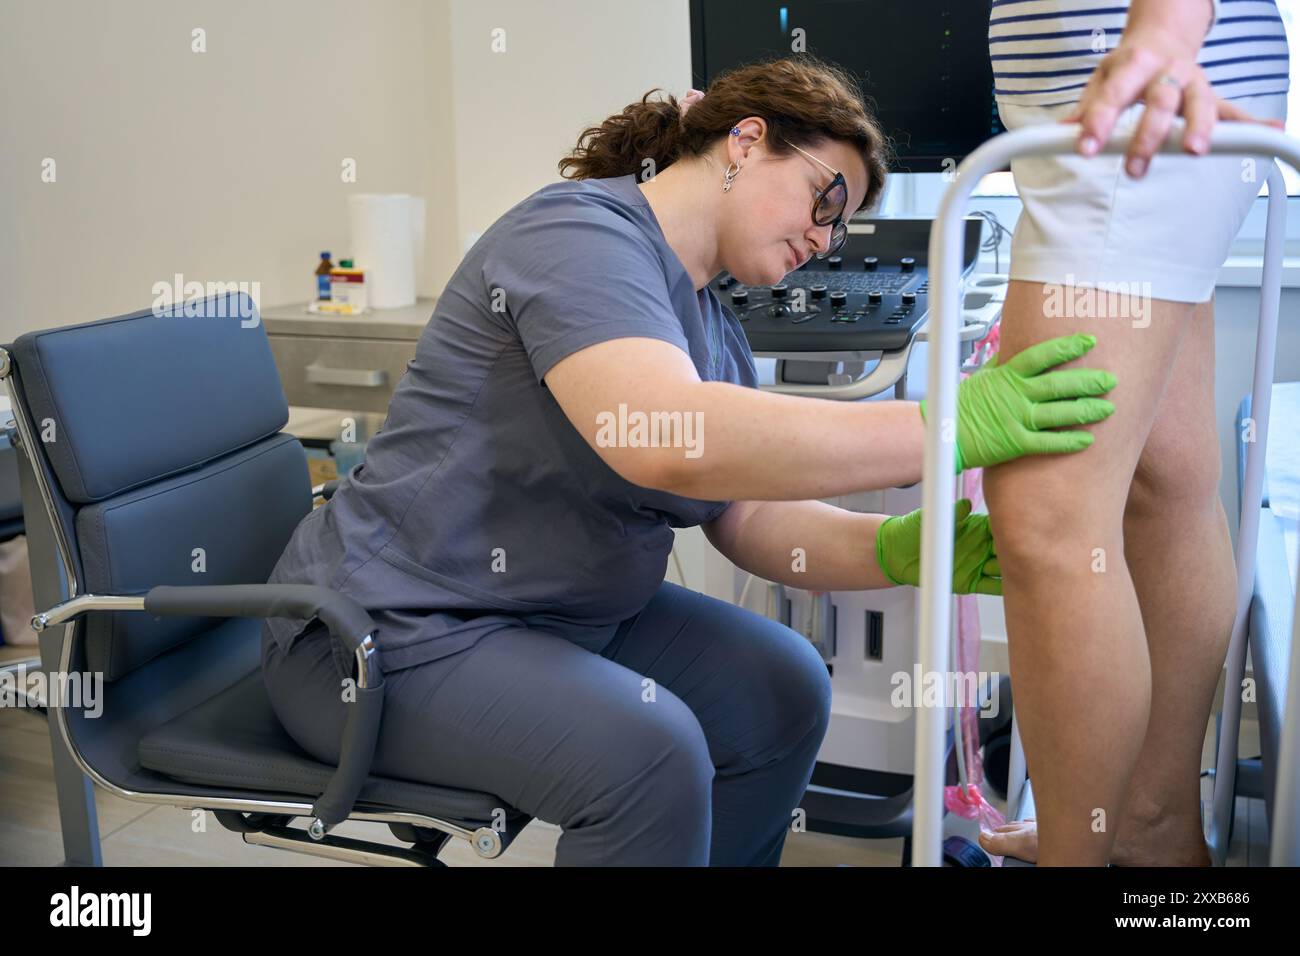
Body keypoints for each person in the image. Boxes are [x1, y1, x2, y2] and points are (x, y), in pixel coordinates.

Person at [260, 55, 1118, 866]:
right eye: (826, 200)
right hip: (385, 634)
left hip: (553, 618)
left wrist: (899, 549)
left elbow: (743, 517)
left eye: (843, 223)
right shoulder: (576, 232)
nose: (828, 240)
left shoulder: (711, 325)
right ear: (745, 142)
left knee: (782, 689)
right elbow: (661, 432)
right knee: (649, 756)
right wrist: (947, 427)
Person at [976, 0, 1289, 866]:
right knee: (1165, 484)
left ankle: (1092, 848)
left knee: (1046, 512)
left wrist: (1166, 31)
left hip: (1135, 93)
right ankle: (1148, 821)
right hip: (1124, 92)